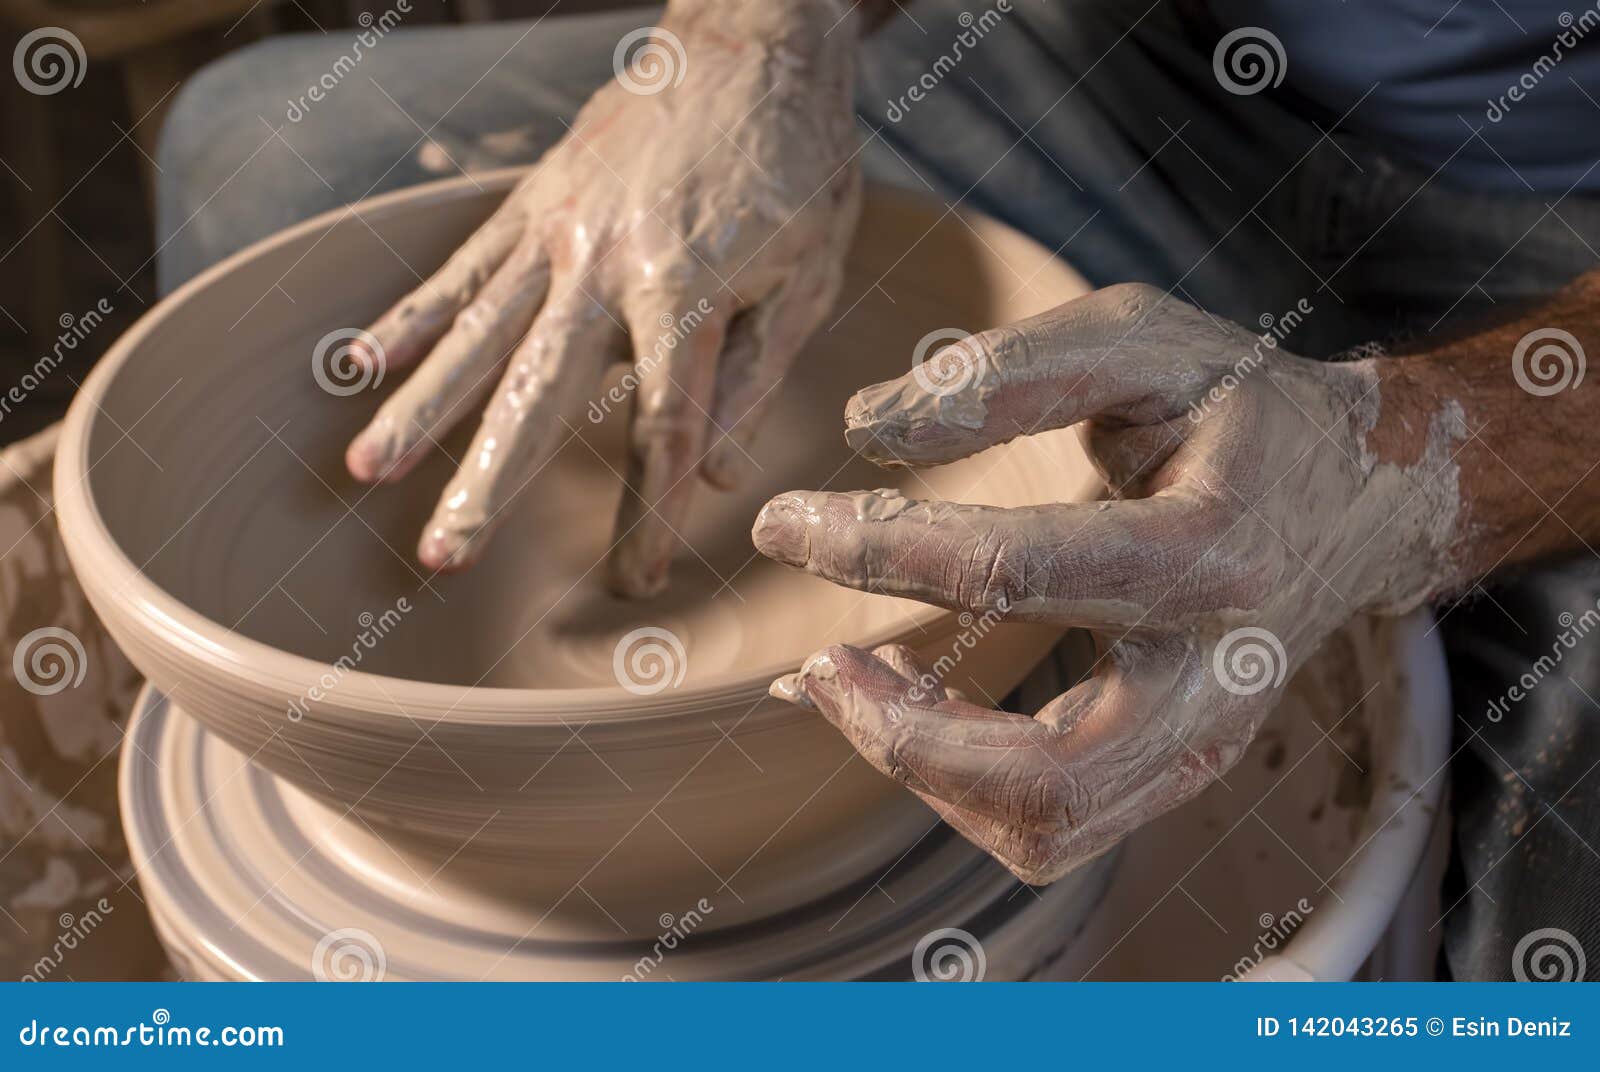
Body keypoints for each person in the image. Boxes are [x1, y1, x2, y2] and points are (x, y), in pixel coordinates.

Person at [157, 0, 1600, 980]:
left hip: (1558, 229)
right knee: (271, 155)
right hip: (1133, 64)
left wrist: (1413, 464)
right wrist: (754, 36)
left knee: (1545, 915)